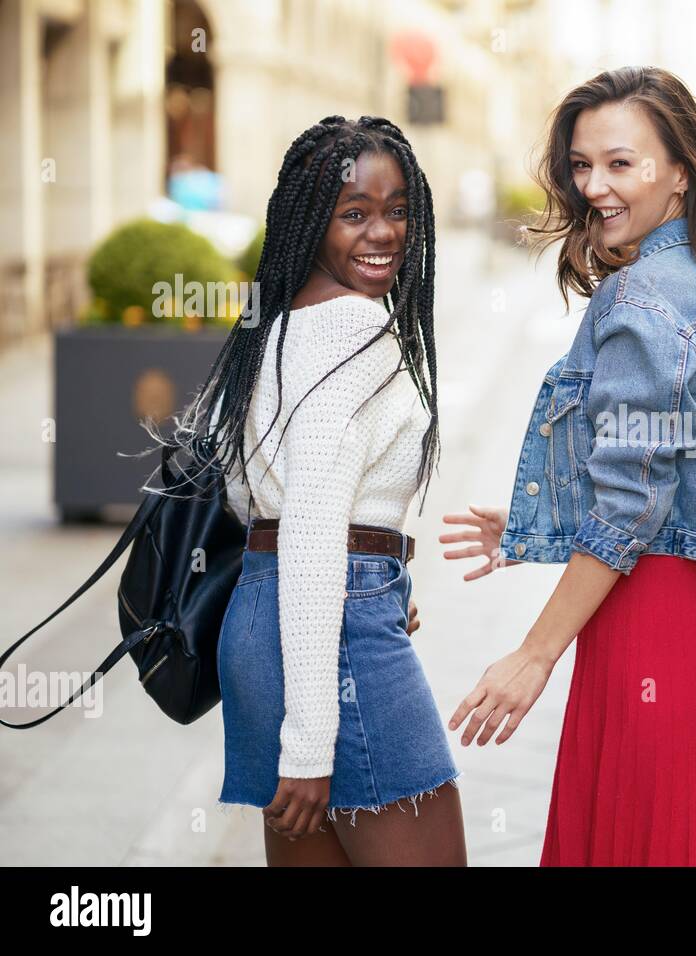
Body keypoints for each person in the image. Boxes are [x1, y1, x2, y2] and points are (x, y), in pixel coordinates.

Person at [439, 67, 696, 866]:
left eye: (620, 163)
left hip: (652, 624)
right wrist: (544, 521)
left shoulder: (643, 301)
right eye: (580, 164)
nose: (593, 185)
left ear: (680, 172)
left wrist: (532, 655)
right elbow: (668, 471)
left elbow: (633, 505)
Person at [141, 116, 465, 866]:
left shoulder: (280, 329)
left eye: (398, 210)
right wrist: (311, 742)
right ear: (308, 220)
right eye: (354, 213)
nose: (383, 233)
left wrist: (381, 573)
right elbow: (316, 531)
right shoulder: (355, 331)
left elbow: (257, 496)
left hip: (267, 624)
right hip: (331, 639)